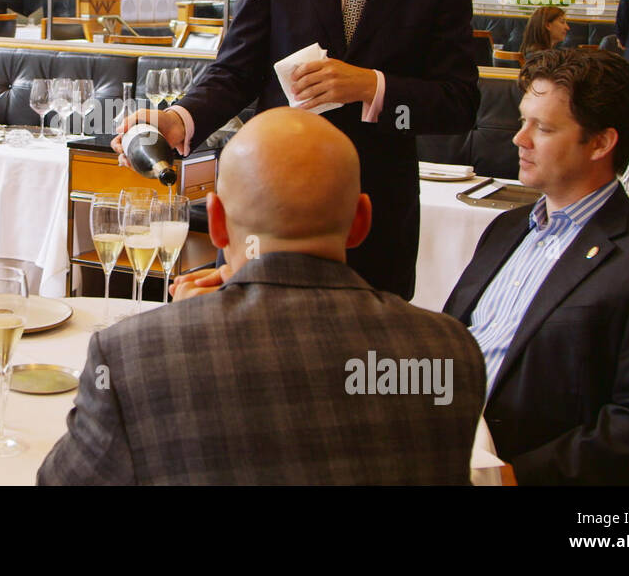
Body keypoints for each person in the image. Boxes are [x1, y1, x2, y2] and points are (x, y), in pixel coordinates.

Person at [115, 0, 479, 300]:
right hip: (266, 203)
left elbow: (460, 103)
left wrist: (372, 86)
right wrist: (181, 118)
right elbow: (236, 70)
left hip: (373, 215)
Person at [39, 108, 486, 485]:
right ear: (361, 223)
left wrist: (180, 335)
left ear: (215, 224)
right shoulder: (449, 354)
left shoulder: (130, 356)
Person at [443, 49, 629, 485]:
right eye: (522, 121)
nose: (520, 139)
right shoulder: (506, 228)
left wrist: (512, 478)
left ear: (600, 143)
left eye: (544, 127)